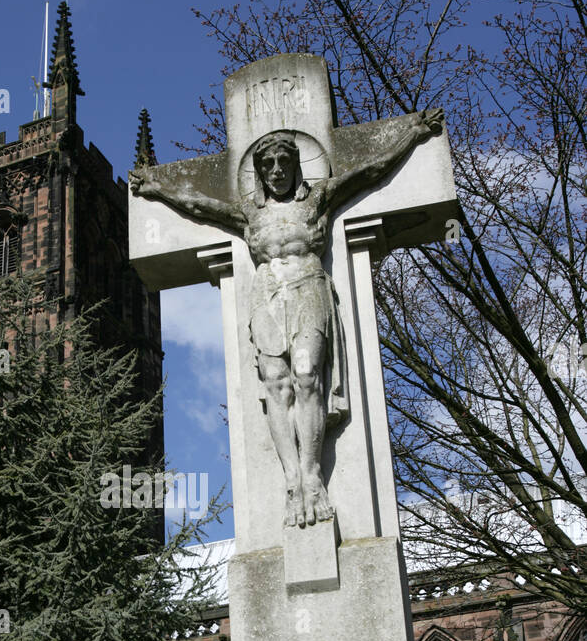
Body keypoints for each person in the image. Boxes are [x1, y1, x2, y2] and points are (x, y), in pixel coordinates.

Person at [130, 108, 444, 527]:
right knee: (277, 385)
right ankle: (293, 479)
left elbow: (373, 170)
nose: (276, 171)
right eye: (267, 165)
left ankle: (313, 472)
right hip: (266, 296)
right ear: (258, 172)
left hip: (307, 287)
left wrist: (413, 133)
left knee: (308, 374)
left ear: (296, 165)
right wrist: (155, 187)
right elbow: (196, 204)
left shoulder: (318, 198)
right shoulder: (249, 214)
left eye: (283, 162)